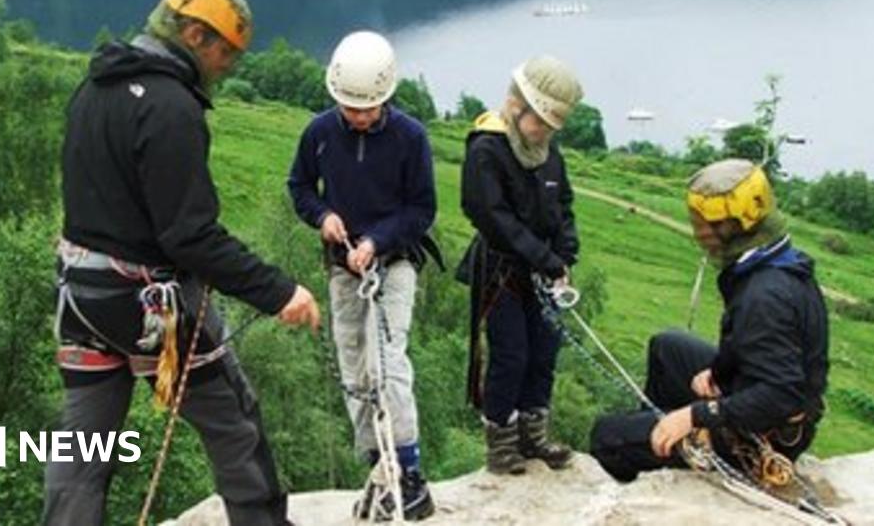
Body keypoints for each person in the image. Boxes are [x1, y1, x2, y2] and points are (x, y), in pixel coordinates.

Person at [46, 0, 321, 526]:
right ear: (195, 35)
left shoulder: (94, 88)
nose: (229, 67)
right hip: (148, 305)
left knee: (83, 451)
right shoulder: (171, 107)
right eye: (227, 52)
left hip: (80, 297)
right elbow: (188, 236)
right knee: (233, 422)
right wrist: (279, 291)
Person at [590, 159, 829, 483]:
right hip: (761, 396)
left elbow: (779, 395)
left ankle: (662, 456)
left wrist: (695, 416)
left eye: (702, 222)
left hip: (763, 437)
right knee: (668, 347)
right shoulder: (780, 260)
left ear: (729, 225)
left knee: (607, 437)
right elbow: (761, 346)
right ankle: (658, 434)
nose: (697, 231)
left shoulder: (763, 297)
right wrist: (721, 371)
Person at [287, 30, 438, 520]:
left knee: (387, 364)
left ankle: (410, 473)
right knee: (354, 368)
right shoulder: (319, 133)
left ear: (386, 97)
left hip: (393, 263)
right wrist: (322, 216)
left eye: (367, 109)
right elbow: (301, 187)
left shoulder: (410, 138)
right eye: (350, 108)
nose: (357, 116)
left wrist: (377, 242)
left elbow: (422, 209)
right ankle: (379, 467)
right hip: (342, 267)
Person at [456, 55, 584, 475]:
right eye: (539, 123)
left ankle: (534, 435)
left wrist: (564, 253)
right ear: (516, 106)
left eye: (550, 127)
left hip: (544, 268)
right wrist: (546, 259)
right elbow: (494, 217)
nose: (543, 133)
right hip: (501, 270)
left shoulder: (547, 152)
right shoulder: (487, 149)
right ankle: (501, 443)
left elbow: (562, 203)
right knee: (511, 354)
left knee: (543, 351)